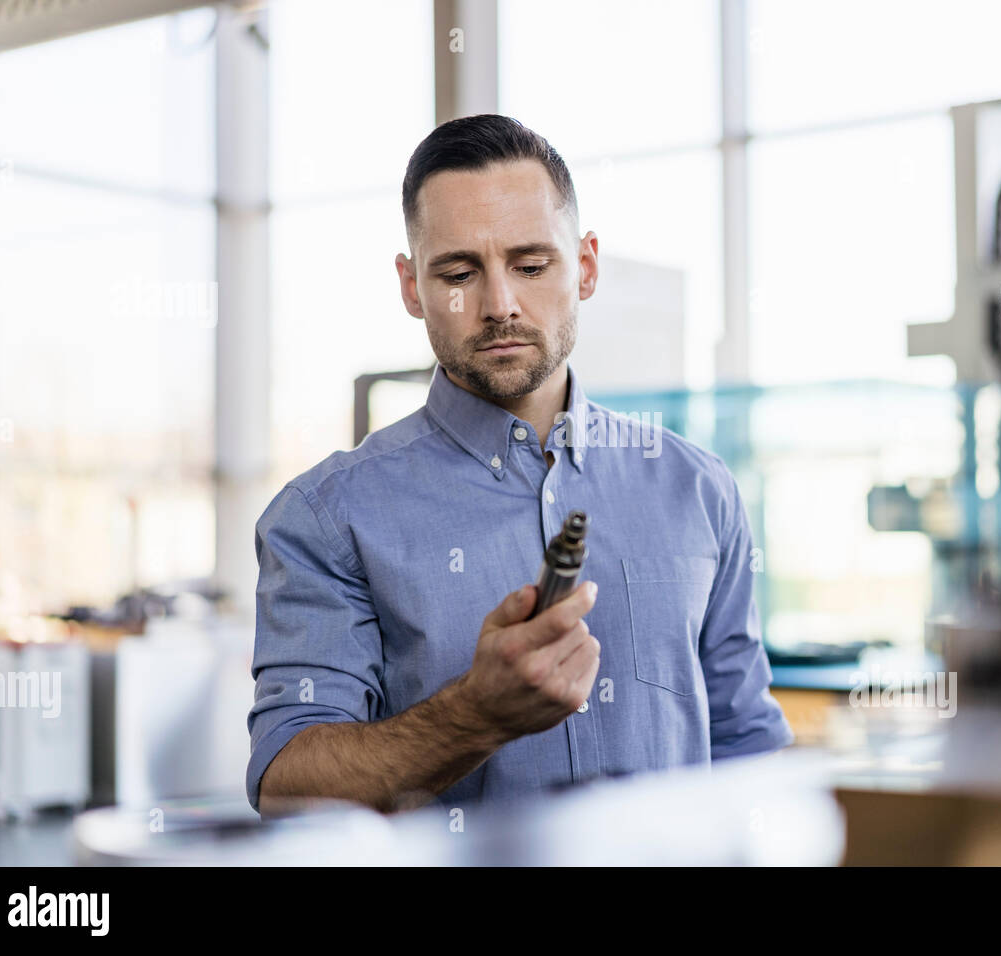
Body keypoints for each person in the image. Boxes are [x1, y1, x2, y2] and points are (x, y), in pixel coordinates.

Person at [247, 114, 792, 815]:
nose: (499, 305)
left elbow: (747, 743)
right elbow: (287, 783)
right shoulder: (325, 518)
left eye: (531, 265)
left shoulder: (699, 490)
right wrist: (475, 715)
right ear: (413, 288)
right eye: (458, 271)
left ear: (586, 267)